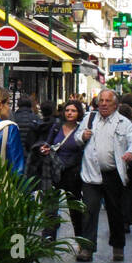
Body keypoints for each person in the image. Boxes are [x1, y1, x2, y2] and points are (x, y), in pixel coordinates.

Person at [77, 89, 132, 261]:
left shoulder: (124, 123)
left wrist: (130, 153)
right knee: (89, 211)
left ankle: (118, 246)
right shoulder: (89, 119)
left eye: (108, 101)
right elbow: (77, 137)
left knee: (115, 212)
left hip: (113, 174)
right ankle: (87, 248)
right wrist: (82, 136)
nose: (104, 104)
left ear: (115, 105)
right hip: (91, 173)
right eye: (102, 101)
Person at [38, 99, 87, 252]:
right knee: (50, 207)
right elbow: (49, 143)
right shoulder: (57, 127)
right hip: (55, 171)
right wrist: (45, 149)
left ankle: (80, 239)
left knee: (74, 208)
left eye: (73, 110)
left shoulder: (81, 130)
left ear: (78, 113)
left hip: (72, 173)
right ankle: (48, 239)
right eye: (67, 110)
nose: (69, 113)